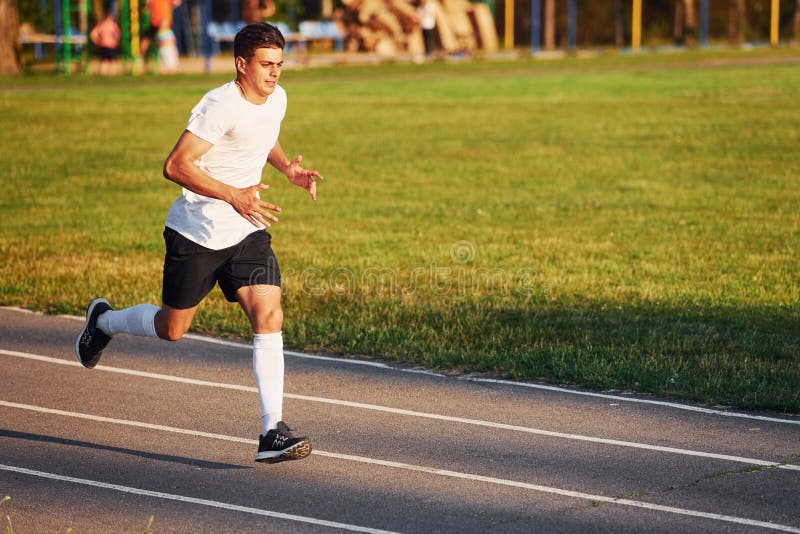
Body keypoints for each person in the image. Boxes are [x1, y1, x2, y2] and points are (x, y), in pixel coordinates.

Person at [76, 23, 324, 464]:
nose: (274, 75)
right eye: (266, 65)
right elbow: (175, 165)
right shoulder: (217, 105)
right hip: (198, 231)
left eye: (280, 65)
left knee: (269, 313)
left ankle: (272, 430)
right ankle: (104, 321)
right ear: (241, 63)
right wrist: (232, 194)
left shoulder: (278, 99)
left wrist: (287, 168)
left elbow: (262, 135)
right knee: (173, 329)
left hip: (246, 229)